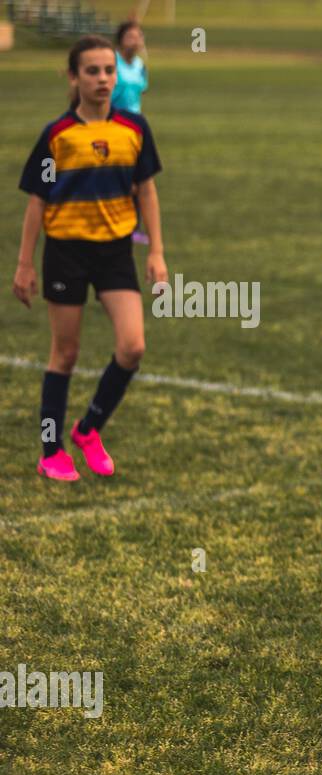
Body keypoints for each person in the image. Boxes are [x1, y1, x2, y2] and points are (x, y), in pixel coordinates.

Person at [13, 35, 166, 483]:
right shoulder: (57, 136)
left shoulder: (134, 130)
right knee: (65, 353)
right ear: (73, 77)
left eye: (109, 71)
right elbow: (37, 202)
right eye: (93, 71)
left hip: (115, 250)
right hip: (66, 251)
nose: (102, 79)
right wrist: (25, 264)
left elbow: (148, 191)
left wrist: (156, 250)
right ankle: (50, 449)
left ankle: (88, 429)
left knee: (133, 347)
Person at [111, 19, 150, 244]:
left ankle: (133, 228)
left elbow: (141, 92)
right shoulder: (111, 62)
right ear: (121, 39)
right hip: (112, 124)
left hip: (135, 128)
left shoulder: (140, 66)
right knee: (114, 176)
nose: (135, 41)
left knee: (138, 180)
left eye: (139, 36)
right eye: (130, 36)